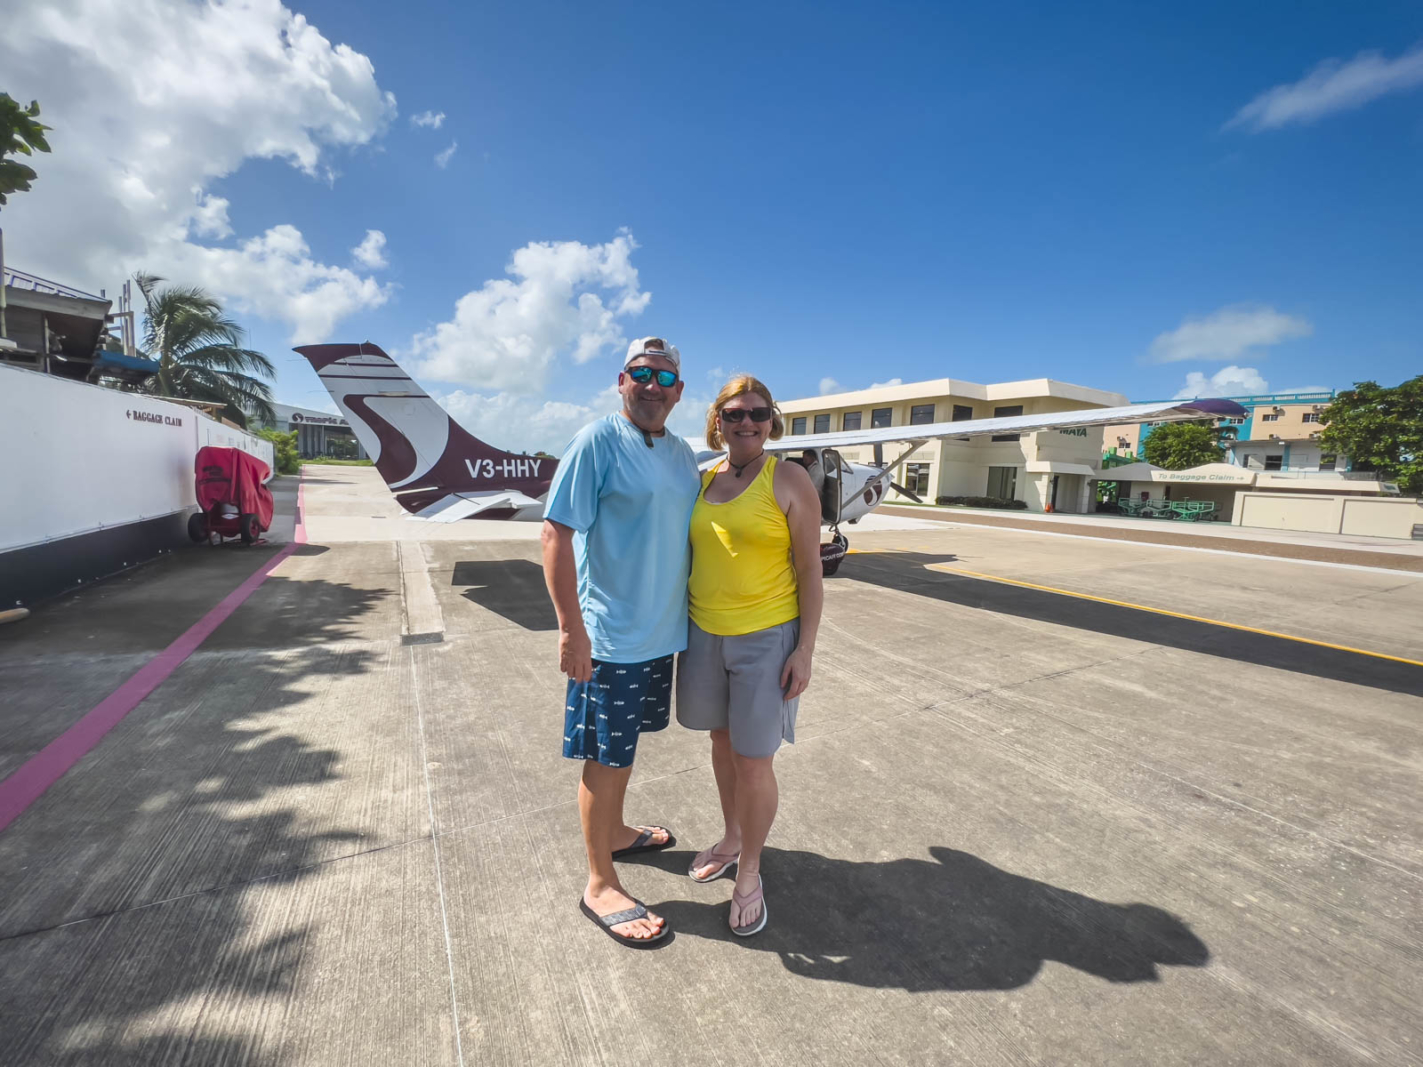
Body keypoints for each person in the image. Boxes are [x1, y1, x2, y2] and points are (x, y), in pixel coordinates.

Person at [541, 337, 701, 948]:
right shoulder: (597, 441)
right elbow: (555, 535)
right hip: (609, 638)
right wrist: (570, 628)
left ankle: (614, 832)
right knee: (605, 757)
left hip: (659, 634)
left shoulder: (682, 454)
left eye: (664, 377)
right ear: (621, 380)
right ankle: (599, 882)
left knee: (624, 747)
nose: (652, 385)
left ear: (680, 390)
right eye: (641, 373)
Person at [677, 375, 824, 936]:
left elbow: (811, 570)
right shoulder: (704, 477)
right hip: (703, 633)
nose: (746, 423)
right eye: (734, 414)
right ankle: (732, 837)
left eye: (757, 414)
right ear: (717, 420)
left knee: (754, 759)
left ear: (771, 421)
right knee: (721, 742)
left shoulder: (787, 478)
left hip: (766, 638)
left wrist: (805, 650)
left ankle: (751, 873)